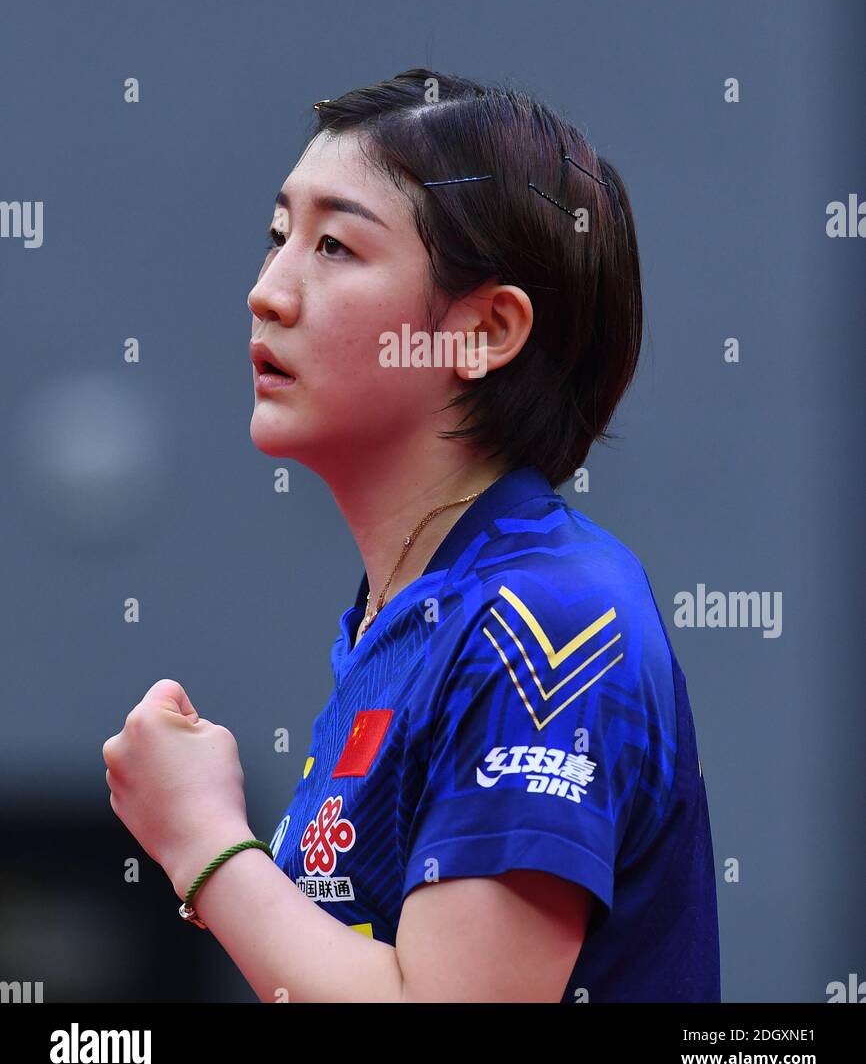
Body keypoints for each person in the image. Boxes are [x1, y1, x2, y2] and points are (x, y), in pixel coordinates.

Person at [103, 67, 721, 1003]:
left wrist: (205, 845)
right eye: (278, 238)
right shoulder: (403, 624)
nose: (267, 292)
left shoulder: (550, 623)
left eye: (336, 248)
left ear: (484, 330)